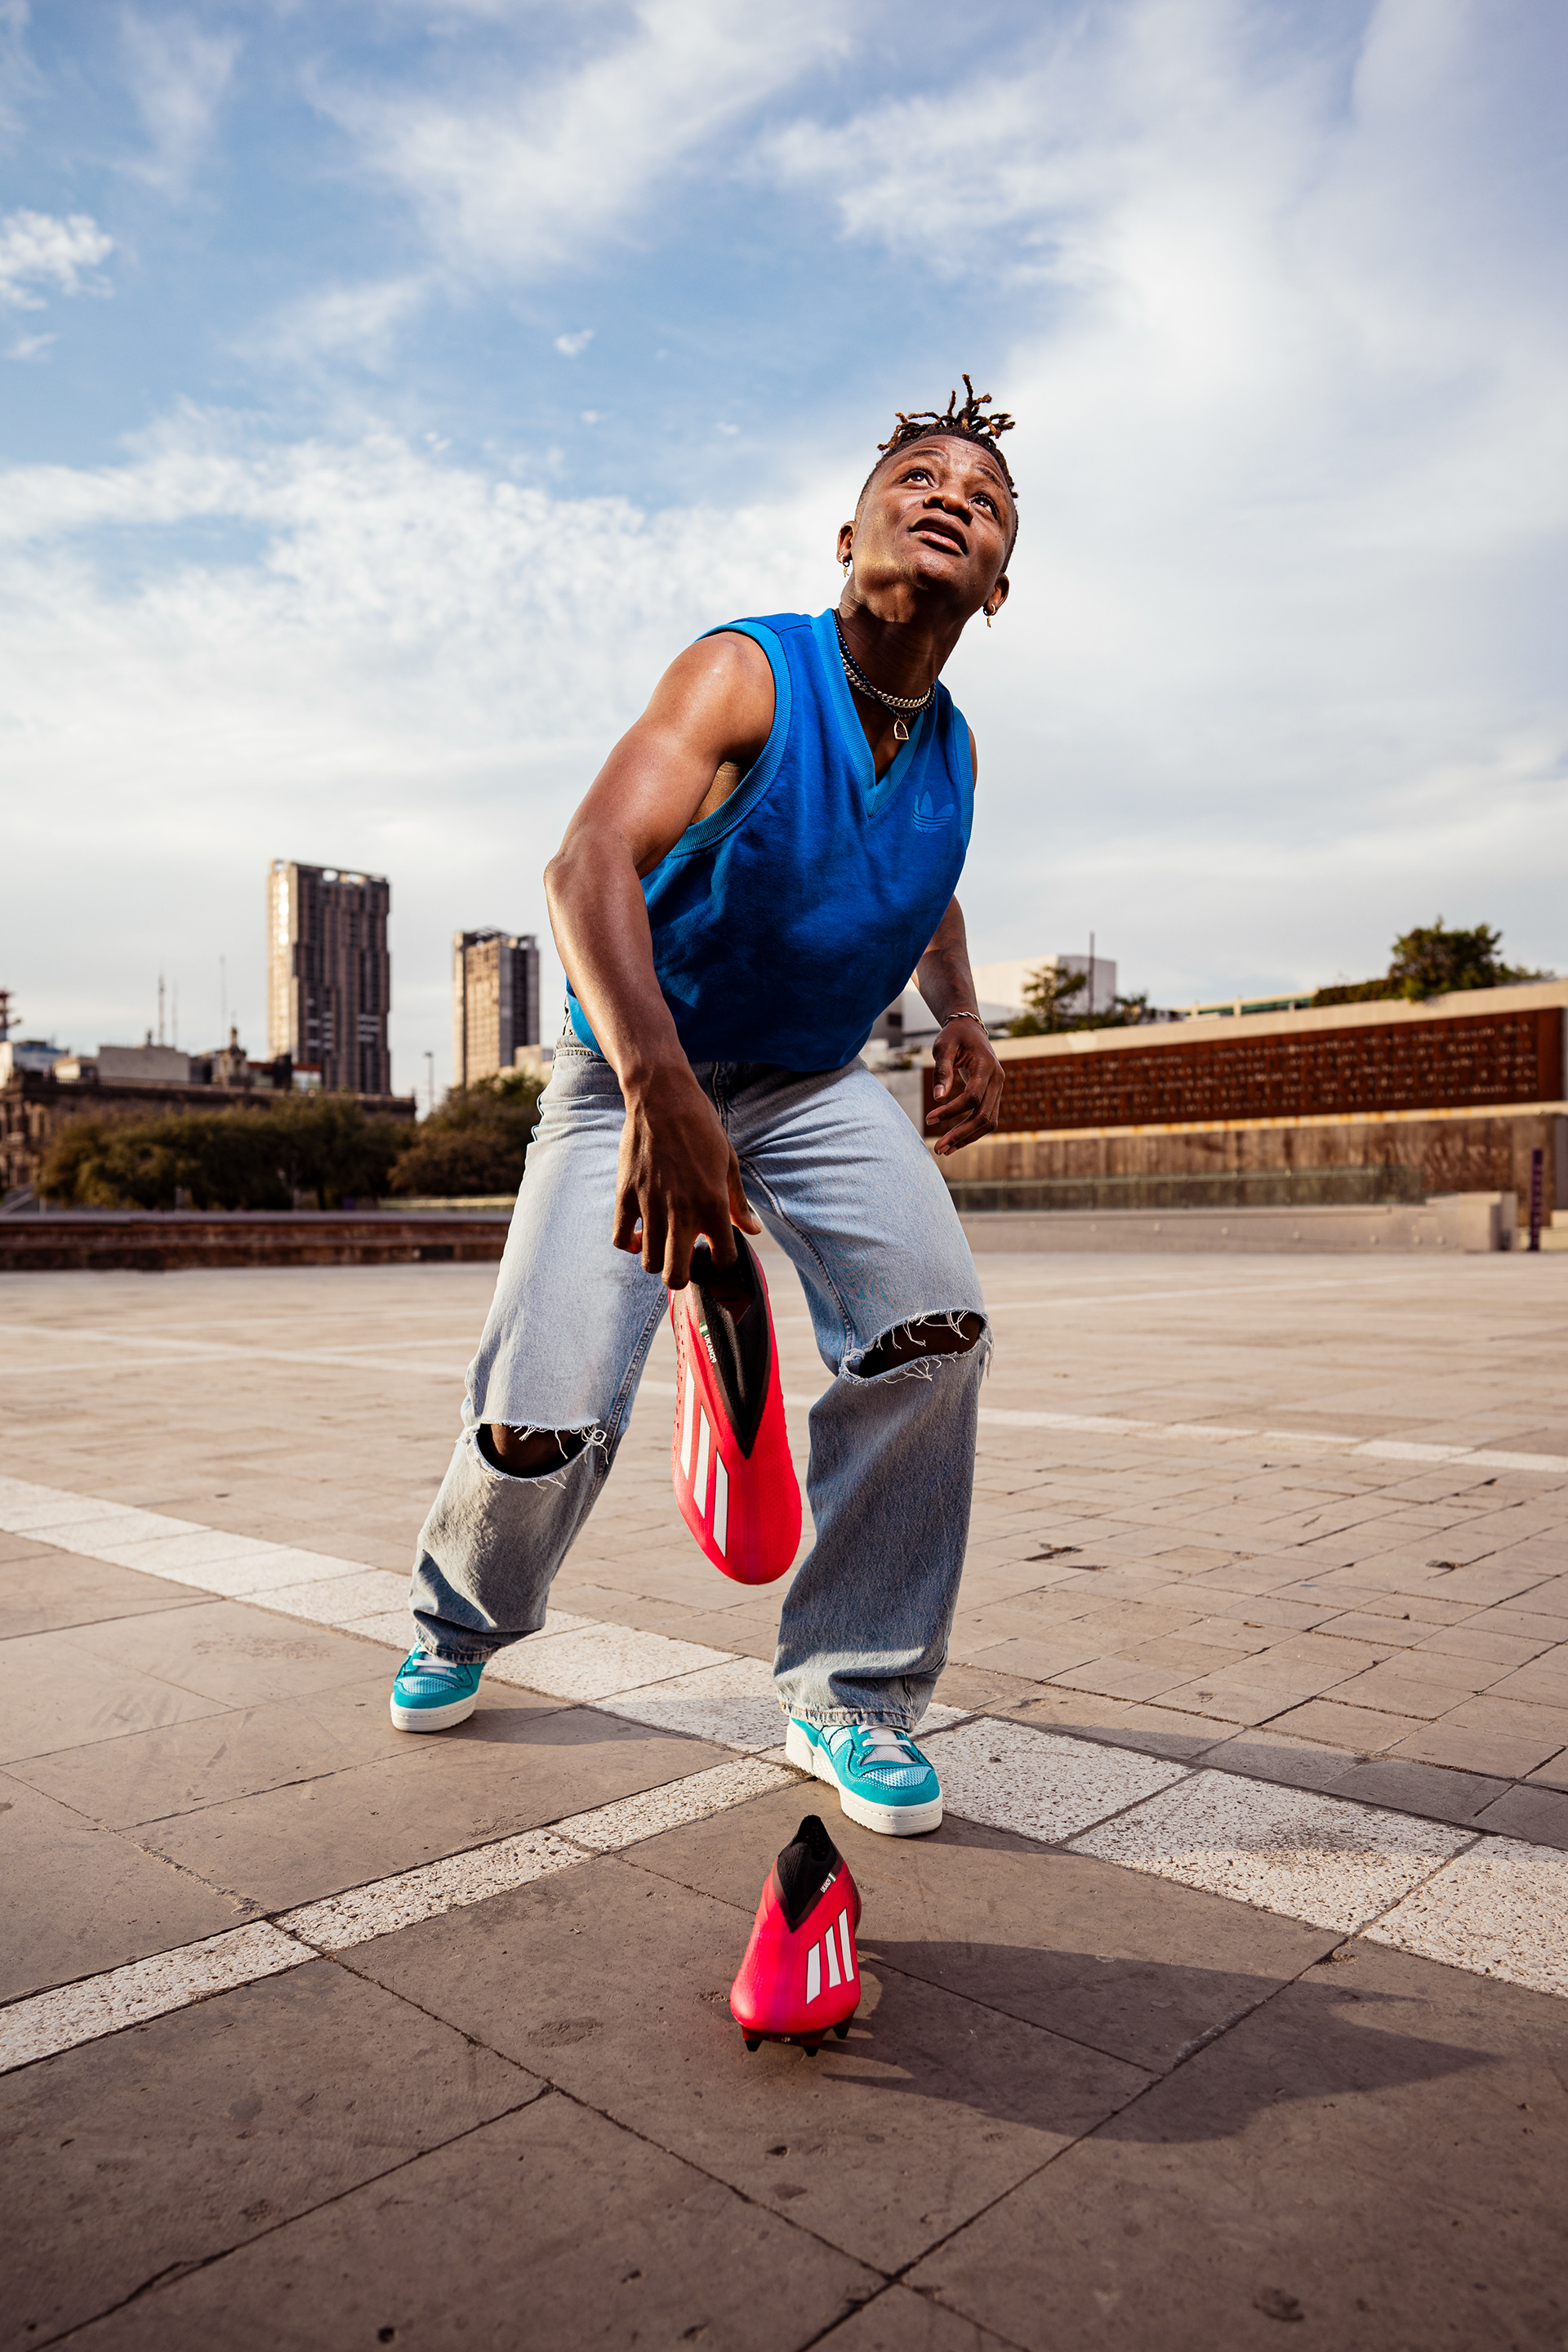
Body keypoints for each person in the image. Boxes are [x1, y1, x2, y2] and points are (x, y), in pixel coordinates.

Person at [390, 378, 1015, 1838]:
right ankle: (459, 1616)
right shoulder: (745, 671)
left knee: (937, 1334)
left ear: (998, 587)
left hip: (805, 1082)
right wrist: (662, 1087)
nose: (949, 498)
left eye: (982, 502)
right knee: (539, 1415)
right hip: (635, 1071)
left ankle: (852, 1692)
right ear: (847, 530)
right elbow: (586, 858)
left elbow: (927, 885)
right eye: (916, 477)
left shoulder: (957, 751)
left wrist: (968, 1017)